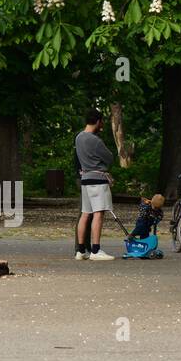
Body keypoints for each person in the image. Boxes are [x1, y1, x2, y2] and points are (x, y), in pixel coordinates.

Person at [74, 108, 115, 261]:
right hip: (98, 180)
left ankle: (81, 250)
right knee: (99, 213)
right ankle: (96, 250)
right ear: (98, 121)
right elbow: (109, 158)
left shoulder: (78, 138)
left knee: (85, 214)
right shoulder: (95, 140)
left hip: (85, 179)